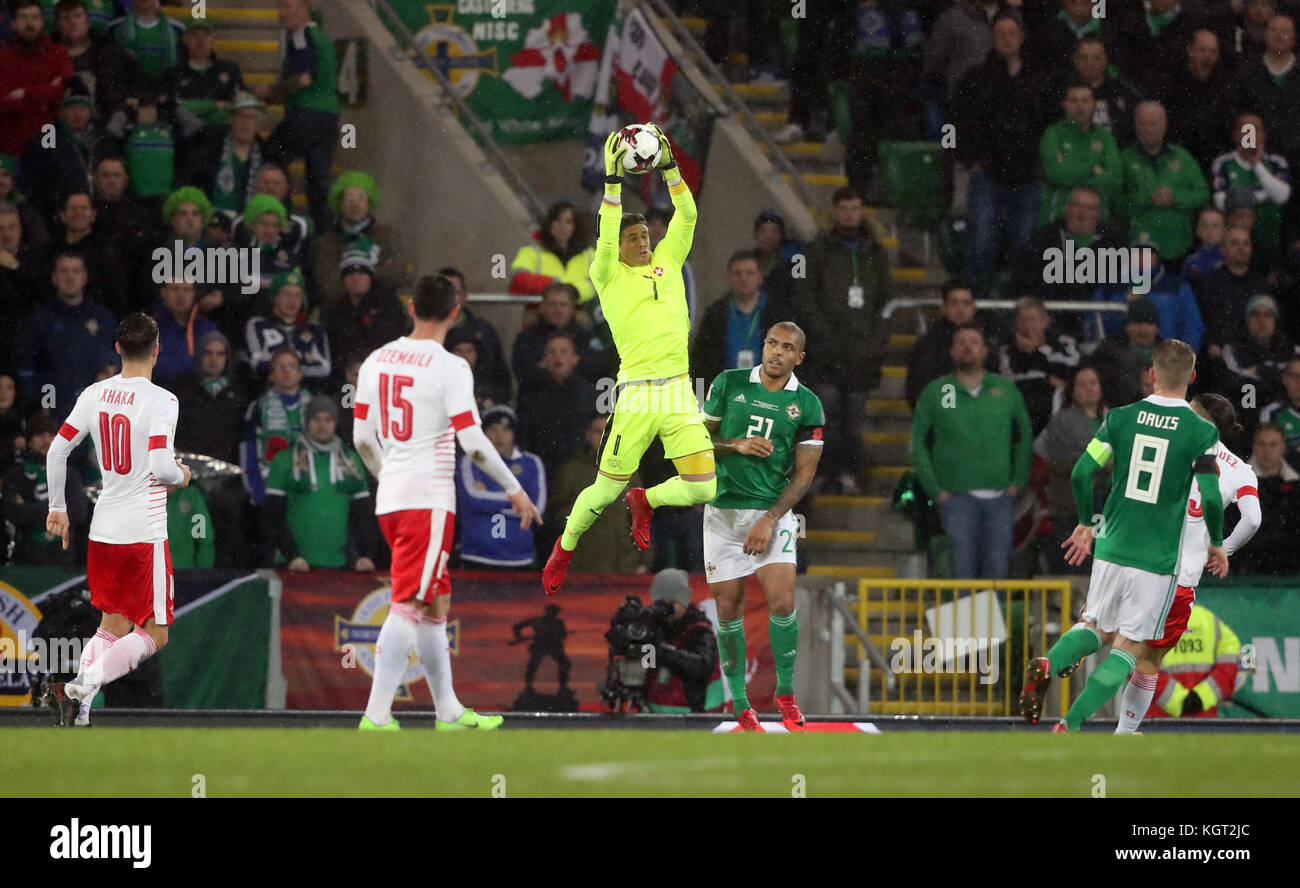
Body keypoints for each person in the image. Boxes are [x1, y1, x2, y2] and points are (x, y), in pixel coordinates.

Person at [352, 274, 542, 731]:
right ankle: (376, 716)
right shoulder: (452, 367)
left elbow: (361, 438)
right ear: (456, 312)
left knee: (436, 604)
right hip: (428, 501)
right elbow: (474, 442)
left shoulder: (376, 360)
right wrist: (513, 488)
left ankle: (448, 712)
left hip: (393, 498)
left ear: (411, 307)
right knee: (408, 604)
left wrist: (388, 475)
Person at [542, 126, 715, 595]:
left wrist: (671, 166)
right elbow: (604, 230)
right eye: (632, 238)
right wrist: (613, 180)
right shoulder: (608, 276)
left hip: (679, 391)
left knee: (703, 488)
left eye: (644, 236)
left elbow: (688, 212)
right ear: (617, 247)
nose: (641, 242)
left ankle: (648, 499)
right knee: (602, 491)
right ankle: (565, 547)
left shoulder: (669, 262)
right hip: (637, 396)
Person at [1021, 339, 1225, 733]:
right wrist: (1216, 540)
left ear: (1151, 374)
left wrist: (1085, 522)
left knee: (1094, 626)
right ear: (1193, 377)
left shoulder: (1120, 419)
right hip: (1157, 557)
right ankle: (1070, 724)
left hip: (1111, 545)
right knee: (1130, 647)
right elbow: (1212, 496)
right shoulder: (1201, 432)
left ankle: (1047, 663)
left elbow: (1082, 472)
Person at [41, 312, 191, 727]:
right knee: (155, 633)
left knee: (111, 624)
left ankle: (81, 711)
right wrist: (185, 475)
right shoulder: (163, 400)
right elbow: (162, 467)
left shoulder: (94, 393)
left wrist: (58, 508)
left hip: (103, 528)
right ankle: (85, 682)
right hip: (144, 532)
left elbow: (56, 452)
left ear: (118, 348)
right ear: (157, 350)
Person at [1108, 393, 1260, 734]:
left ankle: (1063, 679)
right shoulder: (1240, 469)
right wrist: (1223, 549)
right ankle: (1123, 734)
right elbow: (1252, 520)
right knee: (1148, 658)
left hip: (1137, 560)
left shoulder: (1168, 447)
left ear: (1201, 419)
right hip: (1181, 578)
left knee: (1108, 636)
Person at [699, 321, 824, 733]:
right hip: (722, 514)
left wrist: (769, 519)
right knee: (728, 609)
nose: (776, 352)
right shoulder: (729, 383)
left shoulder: (807, 405)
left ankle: (785, 694)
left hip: (772, 514)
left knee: (783, 602)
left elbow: (804, 476)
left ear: (798, 358)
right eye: (772, 343)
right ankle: (740, 704)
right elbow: (694, 439)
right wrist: (734, 444)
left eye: (787, 348)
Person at [791, 185, 891, 494]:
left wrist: (874, 342)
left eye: (855, 208)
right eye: (844, 209)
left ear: (862, 211)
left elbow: (885, 302)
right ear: (834, 212)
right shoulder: (817, 249)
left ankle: (849, 473)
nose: (849, 214)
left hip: (863, 354)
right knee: (826, 417)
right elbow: (806, 298)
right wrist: (825, 336)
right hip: (826, 353)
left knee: (854, 420)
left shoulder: (876, 251)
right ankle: (824, 474)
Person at [912, 325, 1033, 580]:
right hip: (955, 498)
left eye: (974, 342)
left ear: (985, 351)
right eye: (962, 342)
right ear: (953, 352)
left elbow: (1024, 437)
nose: (968, 346)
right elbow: (918, 443)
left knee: (998, 572)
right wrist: (936, 490)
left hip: (1000, 496)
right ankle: (963, 623)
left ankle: (990, 622)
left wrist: (1017, 482)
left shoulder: (1006, 390)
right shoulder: (936, 391)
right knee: (961, 572)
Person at [952, 13, 1051, 294]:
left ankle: (1019, 311)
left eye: (1011, 33)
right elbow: (955, 122)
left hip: (1028, 175)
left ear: (1021, 37)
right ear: (992, 39)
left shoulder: (1041, 78)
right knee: (981, 243)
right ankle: (976, 309)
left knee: (1024, 247)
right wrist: (969, 158)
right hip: (988, 174)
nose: (1006, 39)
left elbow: (1050, 122)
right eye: (1000, 34)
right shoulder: (975, 78)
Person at [264, 395, 376, 572]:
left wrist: (365, 554)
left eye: (328, 419)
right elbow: (274, 514)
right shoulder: (284, 459)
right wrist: (292, 555)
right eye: (316, 419)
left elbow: (362, 514)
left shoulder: (351, 460)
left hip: (341, 563)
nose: (322, 425)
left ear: (335, 422)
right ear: (306, 422)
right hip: (296, 564)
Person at [256, 0, 339, 233]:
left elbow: (303, 79)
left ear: (304, 9)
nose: (280, 13)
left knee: (271, 156)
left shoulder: (302, 36)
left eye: (286, 7)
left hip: (306, 114)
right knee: (318, 184)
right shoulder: (322, 39)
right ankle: (325, 238)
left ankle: (282, 221)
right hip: (329, 118)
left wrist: (270, 91)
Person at [16, 249, 118, 420]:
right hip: (56, 410)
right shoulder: (40, 318)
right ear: (54, 278)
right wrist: (40, 405)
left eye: (76, 271)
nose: (70, 277)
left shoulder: (103, 317)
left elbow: (119, 355)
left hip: (98, 409)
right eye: (64, 271)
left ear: (84, 277)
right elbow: (27, 365)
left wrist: (111, 368)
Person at [545, 413, 650, 574]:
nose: (604, 438)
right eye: (598, 432)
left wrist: (645, 561)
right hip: (582, 565)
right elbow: (555, 517)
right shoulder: (570, 472)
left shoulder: (630, 472)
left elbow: (642, 517)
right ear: (588, 434)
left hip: (624, 565)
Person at [1034, 364, 1108, 574]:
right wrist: (1106, 460)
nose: (1088, 388)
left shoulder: (1111, 418)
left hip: (1107, 507)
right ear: (1072, 390)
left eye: (1093, 383)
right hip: (1073, 507)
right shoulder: (1062, 421)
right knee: (1079, 567)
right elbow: (1067, 461)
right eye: (1082, 384)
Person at [1118, 101, 1211, 265]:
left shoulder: (1182, 156)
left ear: (1164, 125)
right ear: (1135, 126)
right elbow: (1116, 201)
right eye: (1143, 124)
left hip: (1180, 248)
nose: (1148, 129)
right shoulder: (1125, 158)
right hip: (1140, 250)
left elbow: (1203, 194)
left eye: (1153, 124)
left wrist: (1175, 198)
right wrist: (1147, 199)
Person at [455, 406, 545, 569]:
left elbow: (536, 509)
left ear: (514, 434)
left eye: (506, 429)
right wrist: (520, 500)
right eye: (493, 429)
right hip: (477, 558)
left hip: (520, 559)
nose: (499, 436)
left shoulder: (532, 463)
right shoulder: (470, 461)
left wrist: (487, 499)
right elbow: (471, 500)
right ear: (483, 433)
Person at [690, 249, 793, 388]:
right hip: (725, 394)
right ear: (729, 277)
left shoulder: (778, 315)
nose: (743, 278)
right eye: (737, 273)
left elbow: (792, 360)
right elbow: (700, 362)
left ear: (760, 278)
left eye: (749, 273)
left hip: (769, 394)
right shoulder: (715, 314)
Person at [3, 408, 87, 566]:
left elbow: (79, 512)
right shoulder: (15, 474)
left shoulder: (70, 474)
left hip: (63, 562)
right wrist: (58, 513)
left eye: (51, 435)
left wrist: (28, 508)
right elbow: (12, 513)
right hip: (24, 561)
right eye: (39, 435)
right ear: (28, 440)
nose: (46, 440)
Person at [310, 170, 407, 308]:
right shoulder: (325, 242)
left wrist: (352, 277)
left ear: (369, 201)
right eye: (349, 199)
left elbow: (399, 274)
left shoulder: (387, 235)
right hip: (340, 313)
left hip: (380, 310)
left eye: (361, 198)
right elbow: (328, 285)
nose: (355, 205)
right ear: (339, 203)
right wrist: (377, 269)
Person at [1211, 113, 1291, 267]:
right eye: (1246, 129)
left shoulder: (1275, 162)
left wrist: (1257, 165)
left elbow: (1281, 196)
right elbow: (1221, 201)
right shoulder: (1223, 163)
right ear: (1236, 135)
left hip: (1269, 242)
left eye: (1256, 129)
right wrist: (1266, 192)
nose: (1250, 134)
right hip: (1236, 245)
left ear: (1263, 135)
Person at [515, 331, 597, 480]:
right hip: (544, 468)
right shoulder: (532, 396)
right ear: (545, 360)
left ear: (575, 359)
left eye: (564, 351)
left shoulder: (590, 394)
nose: (558, 356)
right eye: (552, 352)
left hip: (580, 470)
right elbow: (526, 437)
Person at [1038, 81, 1121, 226]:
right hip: (1058, 217)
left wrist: (1070, 171)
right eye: (1074, 100)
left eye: (1085, 100)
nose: (1080, 106)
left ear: (1094, 104)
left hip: (1097, 222)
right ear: (1065, 104)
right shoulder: (1053, 133)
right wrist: (1093, 168)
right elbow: (1054, 172)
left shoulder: (1105, 136)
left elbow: (1115, 179)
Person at [641, 568, 722, 714]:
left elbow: (701, 667)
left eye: (672, 603)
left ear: (684, 601)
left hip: (696, 715)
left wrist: (662, 650)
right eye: (662, 603)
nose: (666, 609)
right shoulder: (656, 627)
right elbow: (648, 664)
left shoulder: (699, 630)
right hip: (656, 713)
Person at [996, 295, 1079, 436]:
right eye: (1023, 320)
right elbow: (1012, 380)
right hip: (1024, 407)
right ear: (1015, 323)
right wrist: (1047, 377)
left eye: (1033, 320)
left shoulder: (1064, 342)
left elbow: (1072, 370)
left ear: (1045, 321)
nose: (1028, 326)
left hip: (1061, 406)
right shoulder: (1007, 349)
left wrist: (1037, 351)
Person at [1145, 603, 1245, 719]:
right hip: (1203, 723)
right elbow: (1229, 667)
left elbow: (1138, 665)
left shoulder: (1150, 621)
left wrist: (1180, 701)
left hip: (1156, 723)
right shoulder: (1209, 620)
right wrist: (1201, 698)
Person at [0, 0, 73, 159]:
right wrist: (45, 95)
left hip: (48, 141)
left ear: (42, 22)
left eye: (34, 17)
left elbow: (62, 92)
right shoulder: (2, 59)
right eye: (23, 18)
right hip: (11, 145)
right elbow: (3, 104)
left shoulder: (58, 54)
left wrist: (25, 92)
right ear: (13, 23)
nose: (29, 23)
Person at [240, 346, 310, 509]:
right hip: (270, 488)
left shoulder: (314, 406)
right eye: (280, 367)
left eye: (291, 366)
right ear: (271, 375)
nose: (286, 371)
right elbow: (248, 451)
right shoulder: (258, 407)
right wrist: (257, 491)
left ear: (300, 373)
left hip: (306, 488)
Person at [180, 90, 265, 218]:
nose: (245, 122)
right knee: (180, 237)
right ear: (230, 118)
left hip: (249, 224)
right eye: (239, 116)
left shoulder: (267, 155)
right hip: (211, 222)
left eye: (250, 117)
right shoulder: (208, 149)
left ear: (258, 123)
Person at [244, 267, 330, 390]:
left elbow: (324, 368)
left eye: (298, 296)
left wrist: (280, 366)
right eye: (286, 294)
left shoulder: (315, 329)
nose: (292, 301)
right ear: (275, 297)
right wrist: (303, 358)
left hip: (308, 395)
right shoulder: (258, 325)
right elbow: (257, 363)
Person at [1163, 29, 1233, 178]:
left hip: (1216, 161)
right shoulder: (1172, 84)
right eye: (1202, 50)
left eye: (1213, 51)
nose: (1207, 56)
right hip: (1180, 161)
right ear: (1190, 51)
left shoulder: (1225, 85)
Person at [905, 279, 986, 407]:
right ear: (943, 308)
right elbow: (917, 392)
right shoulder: (928, 345)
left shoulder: (987, 342)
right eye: (954, 303)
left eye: (966, 303)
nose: (960, 309)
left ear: (973, 307)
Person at [163, 17, 243, 142]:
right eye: (195, 36)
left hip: (221, 138)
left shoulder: (230, 70)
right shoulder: (173, 74)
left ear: (214, 38)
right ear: (185, 39)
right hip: (186, 140)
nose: (201, 41)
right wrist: (216, 105)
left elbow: (238, 105)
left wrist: (197, 109)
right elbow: (175, 108)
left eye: (206, 35)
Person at [1192, 225, 1267, 357]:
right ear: (1223, 249)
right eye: (1234, 243)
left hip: (1255, 356)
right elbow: (1198, 322)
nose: (1241, 248)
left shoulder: (1262, 285)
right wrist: (1210, 344)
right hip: (1218, 357)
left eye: (1246, 243)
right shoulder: (1207, 284)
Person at [508, 200, 596, 305]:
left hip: (580, 312)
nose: (562, 226)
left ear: (576, 227)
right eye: (557, 220)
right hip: (542, 313)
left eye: (568, 221)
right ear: (550, 224)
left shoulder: (590, 254)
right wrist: (554, 285)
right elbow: (519, 279)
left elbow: (600, 285)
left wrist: (573, 291)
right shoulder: (531, 252)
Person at [1092, 298, 1162, 407]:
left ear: (1156, 328)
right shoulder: (1109, 351)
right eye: (1137, 322)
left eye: (1148, 322)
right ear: (1127, 327)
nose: (1143, 329)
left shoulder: (1170, 353)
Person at [106, 0, 184, 96]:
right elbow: (111, 72)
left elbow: (180, 71)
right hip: (129, 100)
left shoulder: (177, 29)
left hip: (165, 100)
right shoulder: (115, 28)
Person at [152, 275, 217, 386]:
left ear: (194, 295)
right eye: (174, 289)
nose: (180, 295)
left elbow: (217, 366)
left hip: (197, 395)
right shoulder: (149, 328)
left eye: (187, 290)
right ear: (163, 292)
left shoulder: (207, 329)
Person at [1259, 355, 1300, 451]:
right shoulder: (1272, 413)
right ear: (1285, 379)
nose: (1299, 381)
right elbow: (1268, 452)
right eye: (1294, 376)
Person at [1182, 205, 1226, 284]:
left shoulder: (1232, 257)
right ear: (1198, 231)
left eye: (1215, 226)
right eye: (1205, 226)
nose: (1210, 231)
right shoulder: (1191, 262)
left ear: (1225, 230)